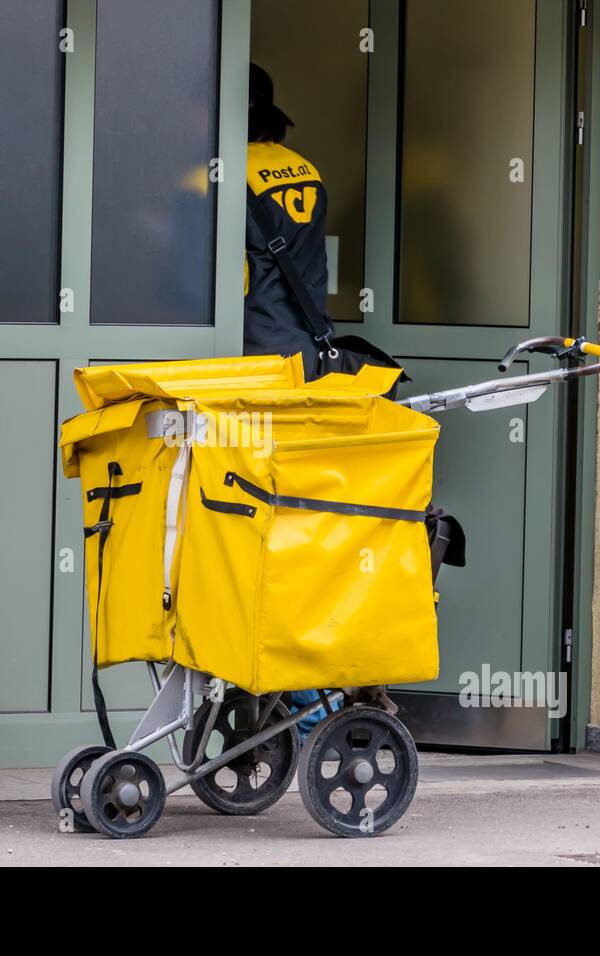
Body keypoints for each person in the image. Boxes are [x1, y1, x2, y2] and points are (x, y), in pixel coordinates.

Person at [243, 64, 340, 738]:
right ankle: (314, 702)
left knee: (250, 537)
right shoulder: (303, 169)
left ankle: (305, 712)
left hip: (251, 366)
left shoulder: (219, 176)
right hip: (305, 359)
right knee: (298, 535)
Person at [243, 64, 336, 381]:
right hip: (305, 346)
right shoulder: (306, 170)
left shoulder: (209, 178)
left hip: (243, 355)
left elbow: (187, 290)